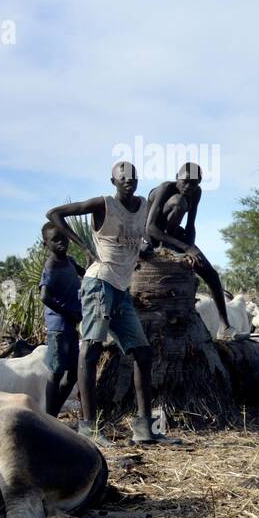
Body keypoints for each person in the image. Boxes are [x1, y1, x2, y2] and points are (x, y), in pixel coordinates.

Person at [46, 161, 171, 445]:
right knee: (91, 348)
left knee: (143, 353)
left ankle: (144, 428)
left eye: (132, 177)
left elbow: (140, 241)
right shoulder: (103, 205)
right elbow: (54, 214)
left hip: (121, 290)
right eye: (122, 177)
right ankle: (88, 426)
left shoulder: (142, 208)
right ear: (113, 181)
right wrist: (84, 246)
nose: (128, 180)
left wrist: (148, 250)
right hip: (99, 283)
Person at [144, 162, 240, 338]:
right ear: (176, 177)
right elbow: (149, 228)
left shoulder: (197, 192)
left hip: (175, 236)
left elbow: (190, 225)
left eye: (194, 183)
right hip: (152, 235)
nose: (188, 187)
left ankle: (225, 326)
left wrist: (191, 250)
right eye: (185, 181)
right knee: (179, 202)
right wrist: (185, 247)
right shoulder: (165, 188)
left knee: (211, 274)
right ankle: (165, 247)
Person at [39, 222, 84, 416]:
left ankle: (53, 412)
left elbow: (87, 273)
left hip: (71, 324)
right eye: (55, 240)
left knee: (73, 373)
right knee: (56, 372)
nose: (61, 243)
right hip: (58, 325)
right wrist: (67, 312)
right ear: (45, 243)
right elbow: (45, 296)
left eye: (63, 238)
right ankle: (50, 417)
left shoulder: (70, 261)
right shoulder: (51, 266)